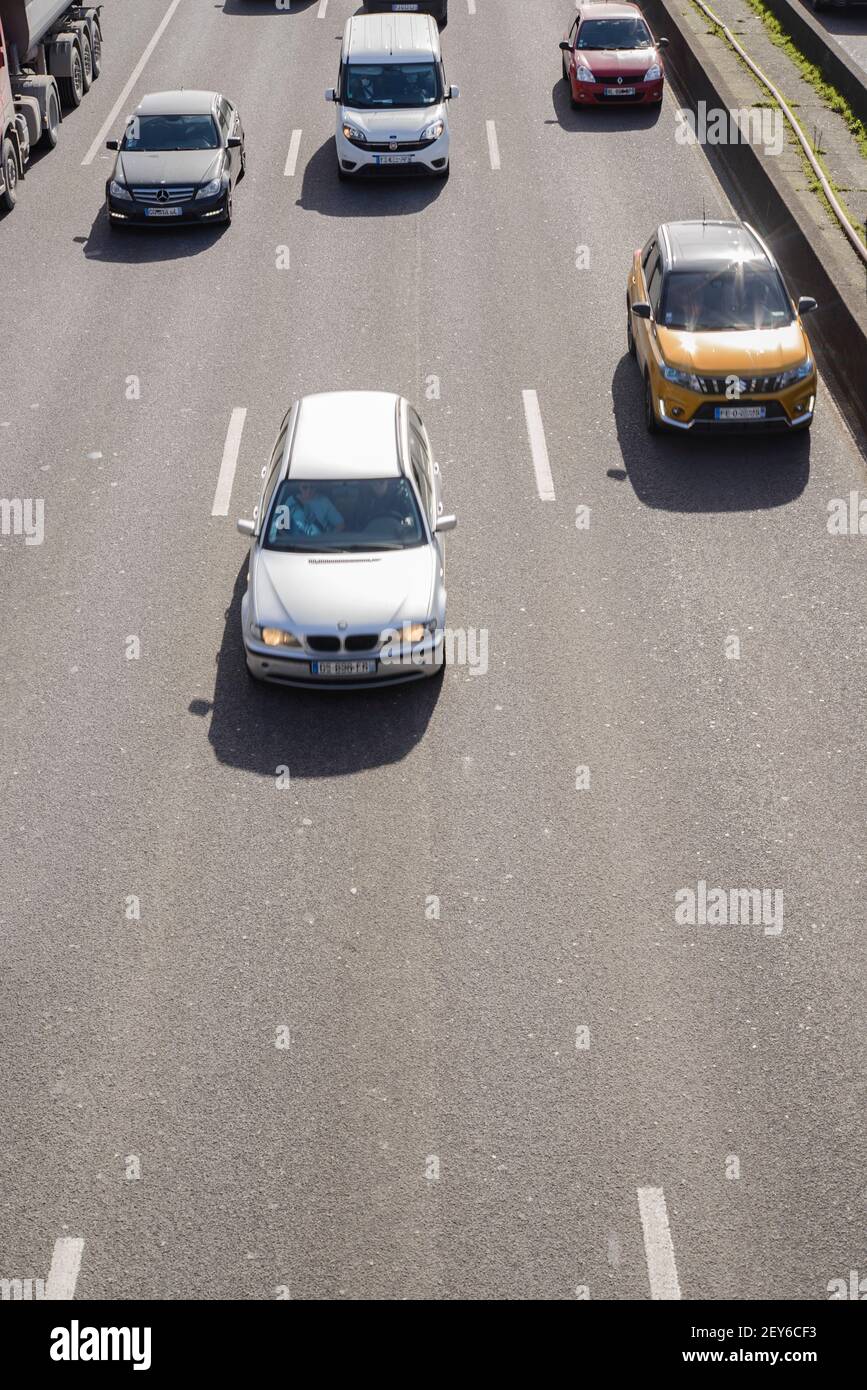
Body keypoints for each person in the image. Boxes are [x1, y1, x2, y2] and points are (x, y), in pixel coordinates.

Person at [272, 484, 344, 539]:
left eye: (312, 487)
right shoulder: (291, 501)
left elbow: (340, 524)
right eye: (305, 487)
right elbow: (277, 524)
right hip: (294, 547)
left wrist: (327, 539)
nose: (308, 491)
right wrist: (288, 540)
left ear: (316, 487)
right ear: (299, 487)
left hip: (319, 547)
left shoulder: (324, 502)